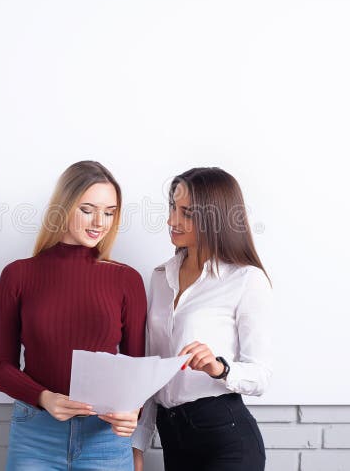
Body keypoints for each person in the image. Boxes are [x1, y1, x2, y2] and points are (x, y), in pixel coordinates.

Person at [0, 160, 147, 470]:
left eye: (109, 212)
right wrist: (44, 397)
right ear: (63, 207)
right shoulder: (18, 275)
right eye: (87, 209)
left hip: (104, 436)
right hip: (36, 434)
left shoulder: (127, 279)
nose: (99, 222)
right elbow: (2, 368)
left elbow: (136, 371)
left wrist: (134, 412)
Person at [132, 167, 273, 471]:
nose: (172, 220)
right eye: (172, 207)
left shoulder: (246, 279)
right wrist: (136, 443)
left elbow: (261, 376)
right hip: (174, 439)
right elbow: (151, 367)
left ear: (215, 217)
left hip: (226, 439)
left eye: (187, 212)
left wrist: (219, 367)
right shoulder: (159, 277)